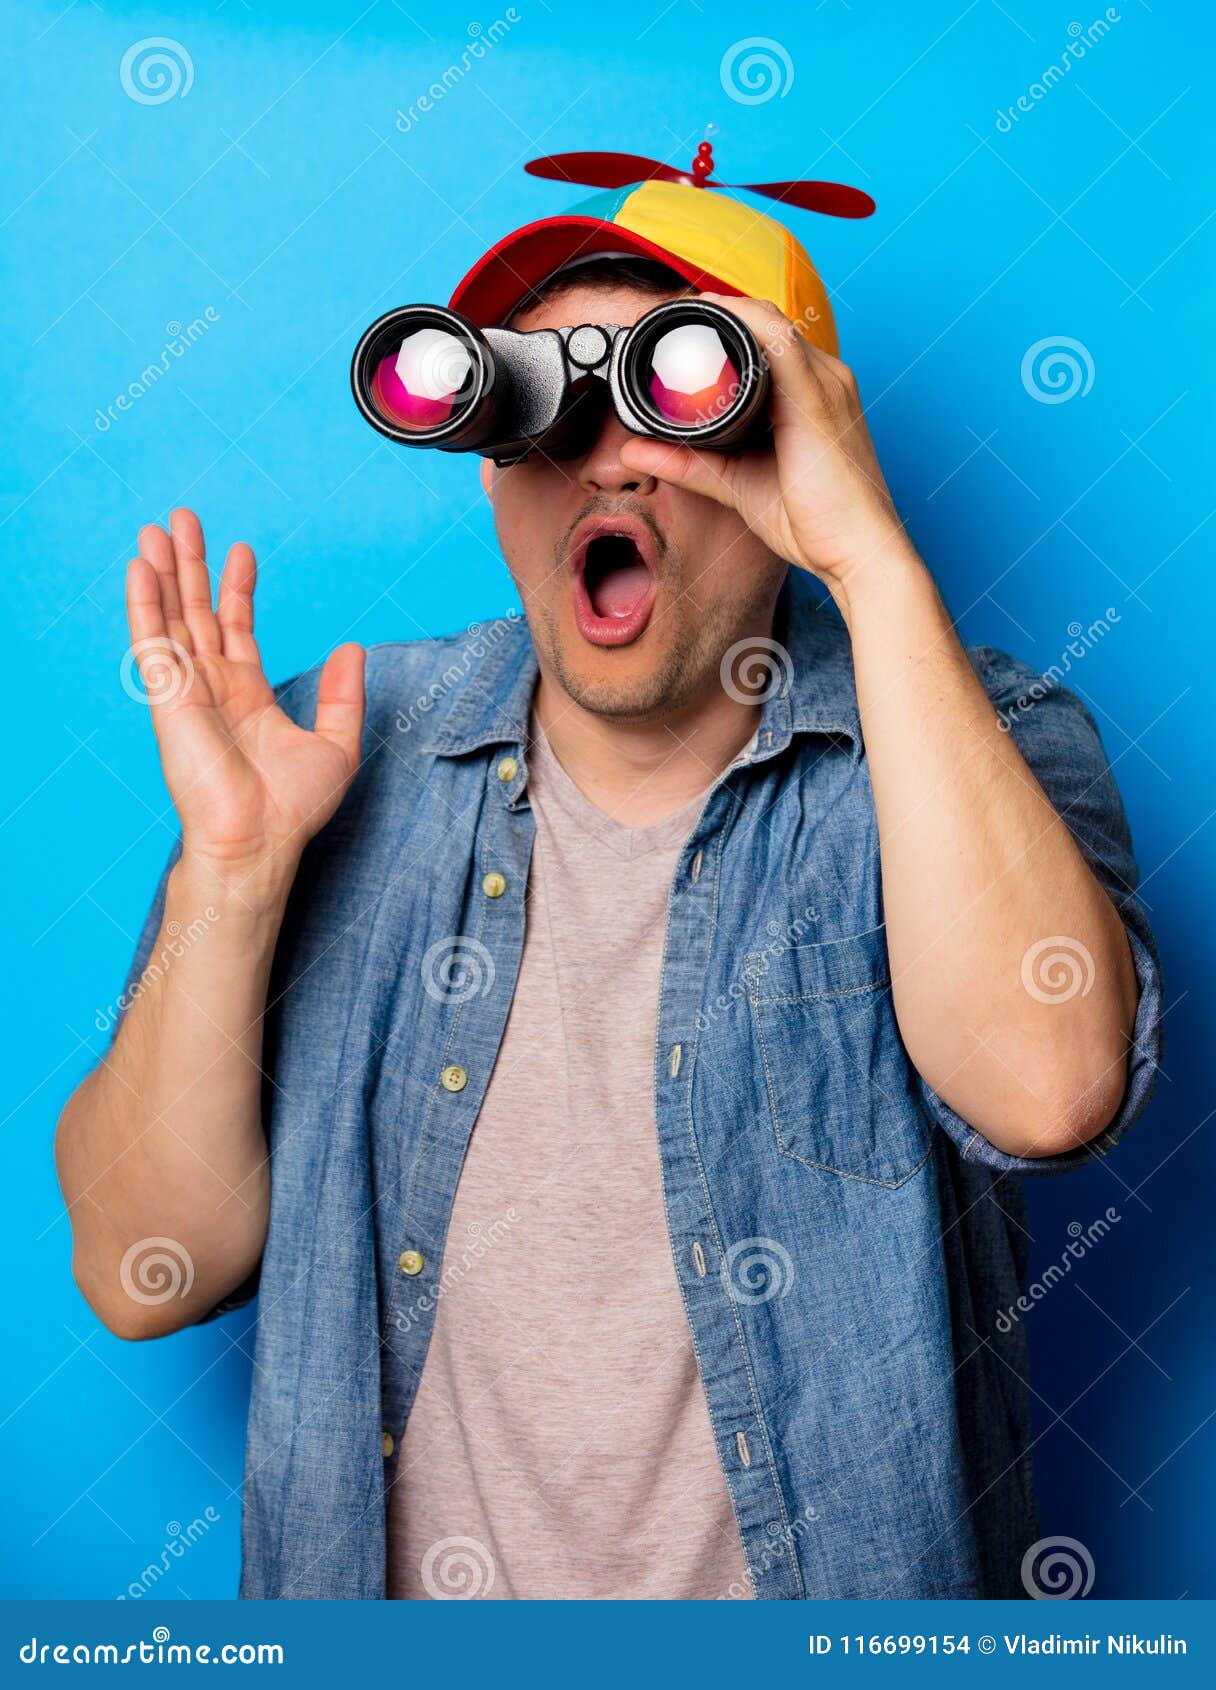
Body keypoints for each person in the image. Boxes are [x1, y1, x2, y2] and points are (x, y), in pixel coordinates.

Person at [55, 170, 1162, 1602]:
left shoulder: (984, 745)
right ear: (488, 452)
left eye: (675, 392)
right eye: (542, 407)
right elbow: (148, 1269)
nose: (609, 464)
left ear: (791, 442)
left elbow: (1050, 1089)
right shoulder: (324, 758)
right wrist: (233, 875)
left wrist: (868, 555)